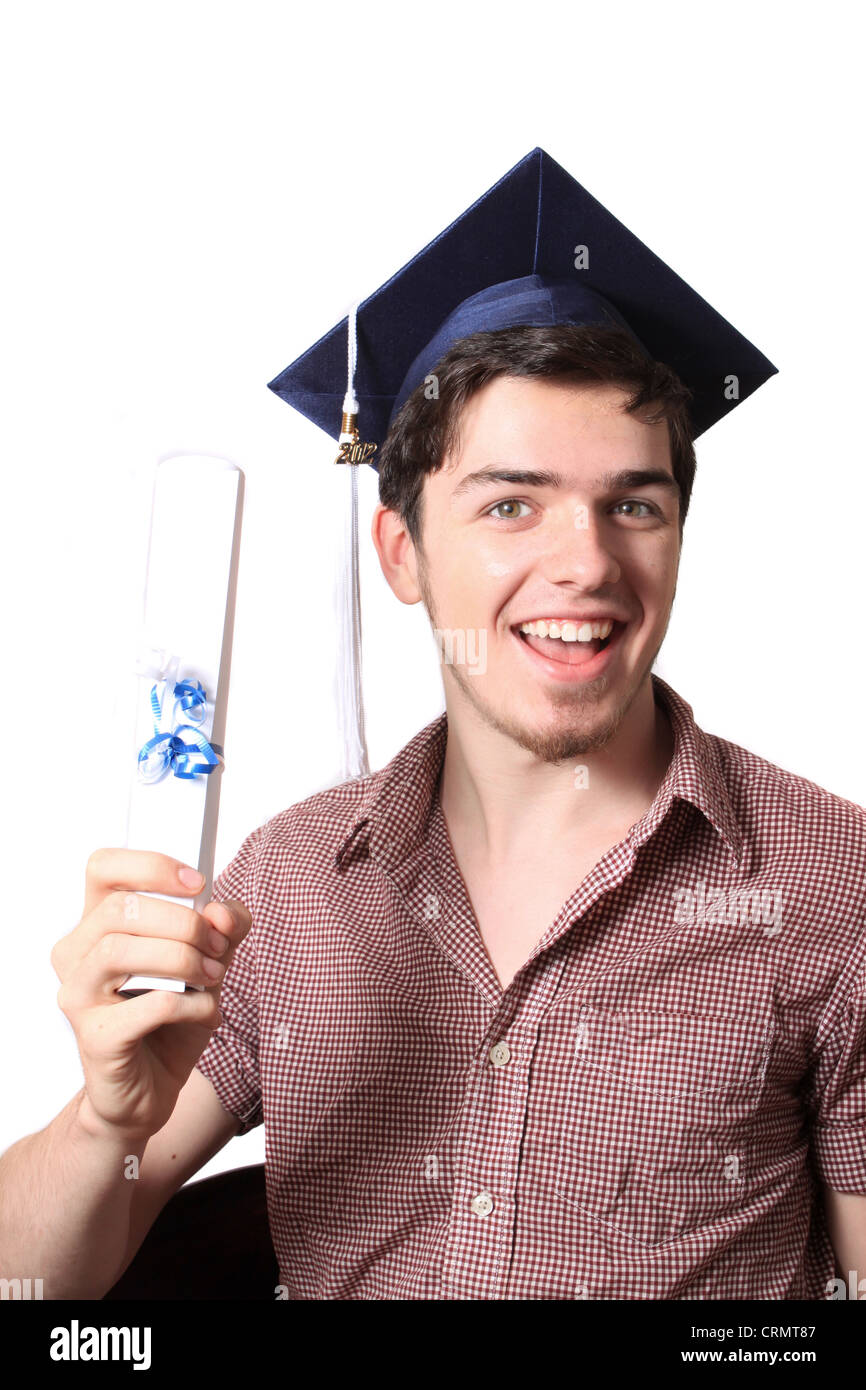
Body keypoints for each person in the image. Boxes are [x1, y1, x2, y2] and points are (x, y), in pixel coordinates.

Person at [1, 149, 863, 1301]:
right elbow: (35, 1286)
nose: (585, 562)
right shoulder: (289, 885)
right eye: (510, 503)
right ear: (400, 553)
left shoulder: (831, 887)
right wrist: (105, 1116)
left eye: (632, 504)